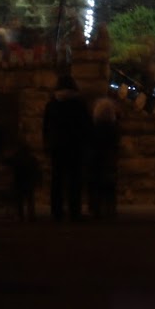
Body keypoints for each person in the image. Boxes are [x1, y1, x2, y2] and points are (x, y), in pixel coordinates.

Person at [42, 74, 92, 221]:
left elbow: (46, 127)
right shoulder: (79, 104)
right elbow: (86, 126)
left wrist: (47, 143)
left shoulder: (52, 104)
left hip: (57, 145)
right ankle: (74, 210)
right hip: (75, 145)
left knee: (57, 178)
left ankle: (56, 210)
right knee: (75, 178)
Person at [87, 96, 121, 220]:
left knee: (95, 183)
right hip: (109, 158)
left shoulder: (93, 127)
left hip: (95, 157)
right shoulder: (113, 127)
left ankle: (95, 207)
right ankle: (110, 208)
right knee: (109, 184)